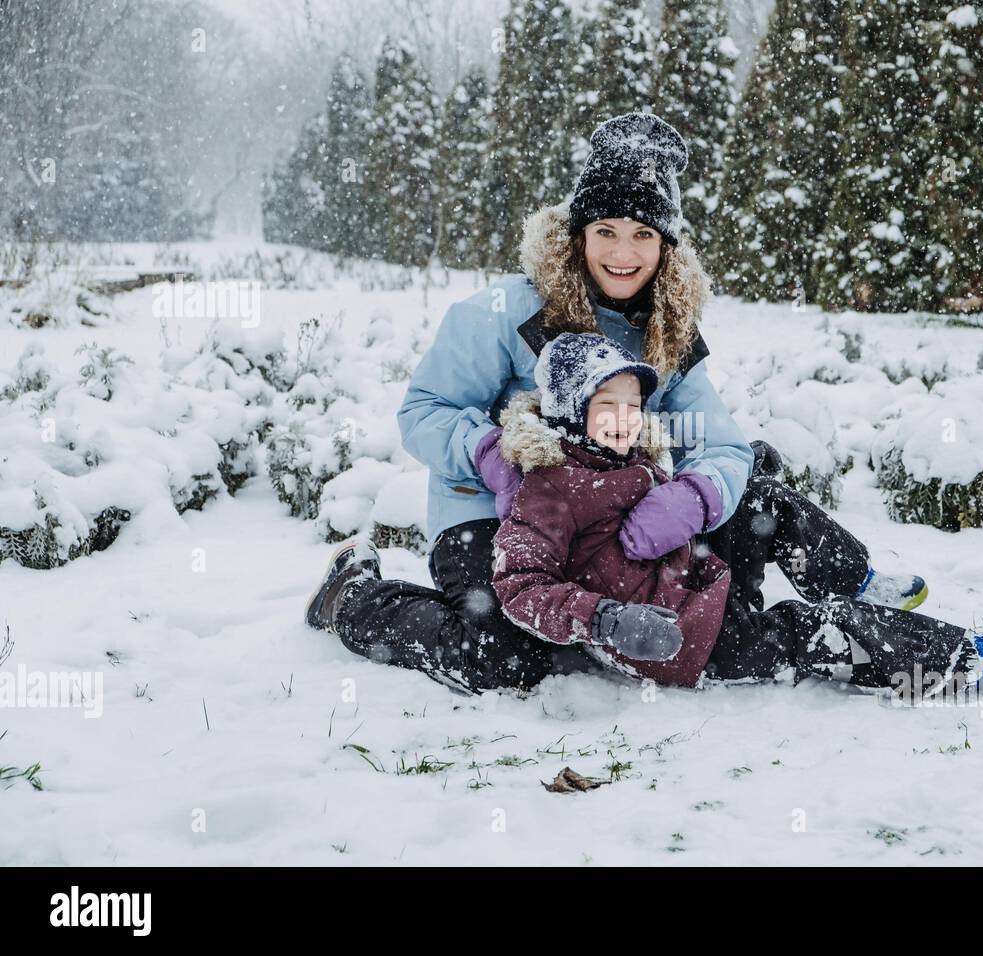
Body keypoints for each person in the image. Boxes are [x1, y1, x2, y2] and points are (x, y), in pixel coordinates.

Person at [303, 113, 943, 694]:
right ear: (577, 234)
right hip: (491, 517)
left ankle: (855, 593)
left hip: (612, 521)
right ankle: (354, 594)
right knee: (499, 657)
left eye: (642, 234)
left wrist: (692, 497)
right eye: (604, 230)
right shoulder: (506, 312)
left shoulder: (667, 330)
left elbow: (715, 441)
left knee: (750, 493)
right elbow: (423, 411)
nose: (621, 253)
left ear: (666, 245)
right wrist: (489, 453)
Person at [487, 331, 983, 693]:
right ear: (569, 413)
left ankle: (860, 581)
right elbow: (519, 586)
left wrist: (732, 478)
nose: (626, 416)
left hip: (693, 580)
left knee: (758, 497)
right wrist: (607, 619)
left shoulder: (622, 454)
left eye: (634, 404)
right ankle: (978, 663)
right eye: (607, 405)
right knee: (819, 630)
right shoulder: (550, 490)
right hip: (679, 637)